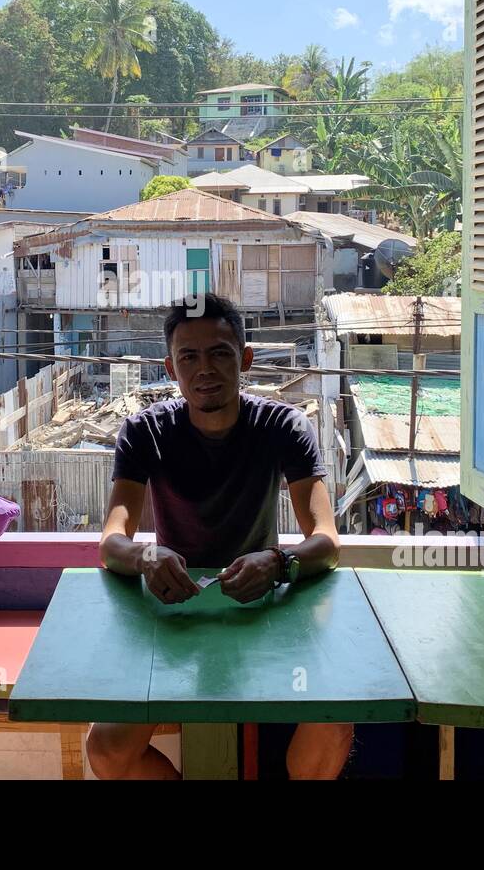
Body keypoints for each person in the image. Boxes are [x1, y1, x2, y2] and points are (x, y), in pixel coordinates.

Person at [88, 292, 349, 780]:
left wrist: (278, 564)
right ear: (170, 366)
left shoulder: (281, 425)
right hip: (175, 614)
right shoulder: (145, 432)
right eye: (189, 356)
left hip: (267, 612)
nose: (204, 368)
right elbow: (112, 542)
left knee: (332, 723)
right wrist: (146, 558)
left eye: (220, 353)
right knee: (106, 750)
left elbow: (327, 541)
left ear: (245, 359)